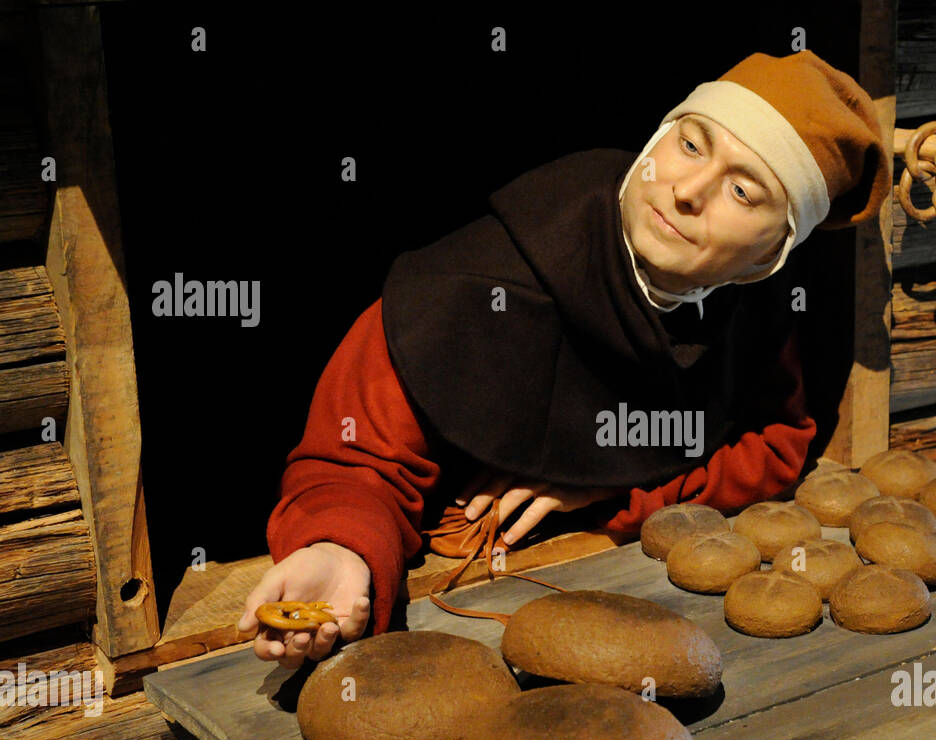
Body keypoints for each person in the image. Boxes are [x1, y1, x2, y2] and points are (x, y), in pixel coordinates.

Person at [237, 49, 891, 669]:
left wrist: (616, 483)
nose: (689, 190)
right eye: (691, 144)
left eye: (744, 192)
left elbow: (777, 444)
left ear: (769, 254)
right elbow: (353, 463)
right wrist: (341, 548)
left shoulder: (753, 306)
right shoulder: (467, 289)